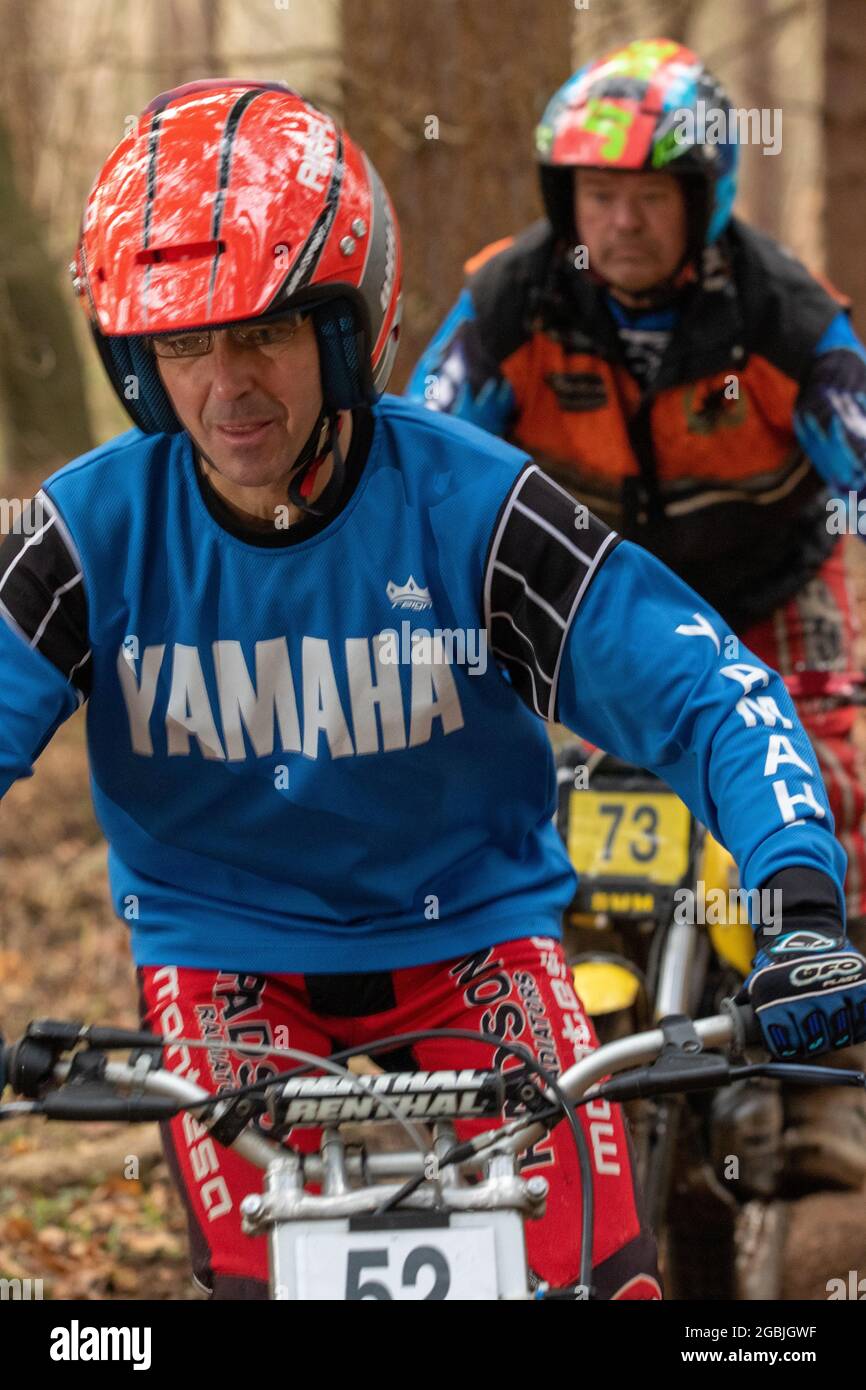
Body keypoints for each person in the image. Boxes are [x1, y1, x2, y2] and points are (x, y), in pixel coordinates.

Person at [0, 79, 863, 1302]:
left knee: (605, 1287)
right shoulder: (86, 536)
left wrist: (796, 900)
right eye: (183, 344)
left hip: (472, 941)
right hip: (219, 955)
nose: (225, 386)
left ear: (346, 327)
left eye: (262, 332)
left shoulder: (476, 508)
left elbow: (707, 691)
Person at [407, 37, 866, 1192]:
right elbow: (415, 452)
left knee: (833, 781)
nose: (617, 222)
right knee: (522, 794)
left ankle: (825, 1066)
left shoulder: (783, 313)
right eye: (595, 195)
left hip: (772, 588)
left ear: (703, 198)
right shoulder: (508, 299)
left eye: (646, 196)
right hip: (586, 607)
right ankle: (533, 1030)